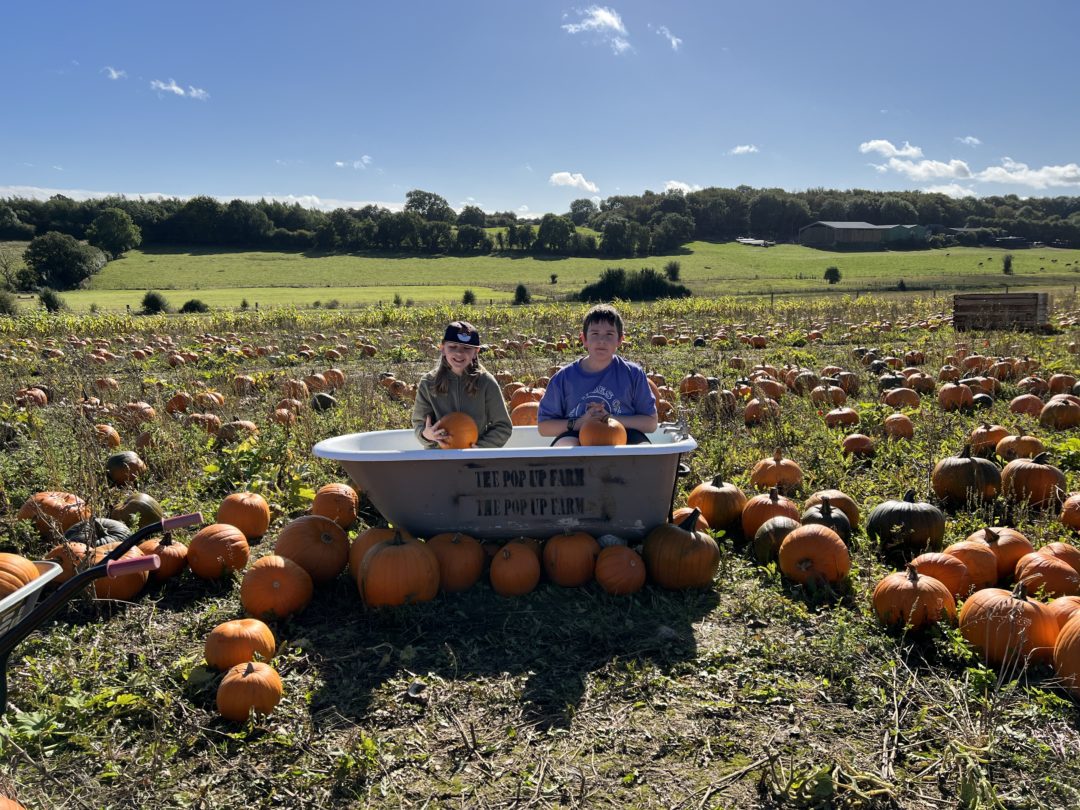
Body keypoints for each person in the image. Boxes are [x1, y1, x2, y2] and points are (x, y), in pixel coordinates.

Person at [537, 304, 657, 446]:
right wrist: (580, 423)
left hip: (625, 431)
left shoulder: (633, 374)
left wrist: (611, 418)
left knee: (642, 450)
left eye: (609, 334)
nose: (602, 340)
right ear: (584, 340)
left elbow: (651, 423)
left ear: (620, 340)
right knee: (565, 447)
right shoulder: (563, 378)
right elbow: (544, 427)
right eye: (595, 334)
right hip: (576, 431)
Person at [411, 320, 512, 448]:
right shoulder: (428, 383)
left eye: (467, 348)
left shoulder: (486, 382)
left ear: (476, 352)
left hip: (475, 459)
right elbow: (420, 424)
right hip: (439, 457)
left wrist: (482, 449)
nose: (459, 353)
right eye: (452, 347)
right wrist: (427, 435)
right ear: (442, 348)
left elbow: (503, 426)